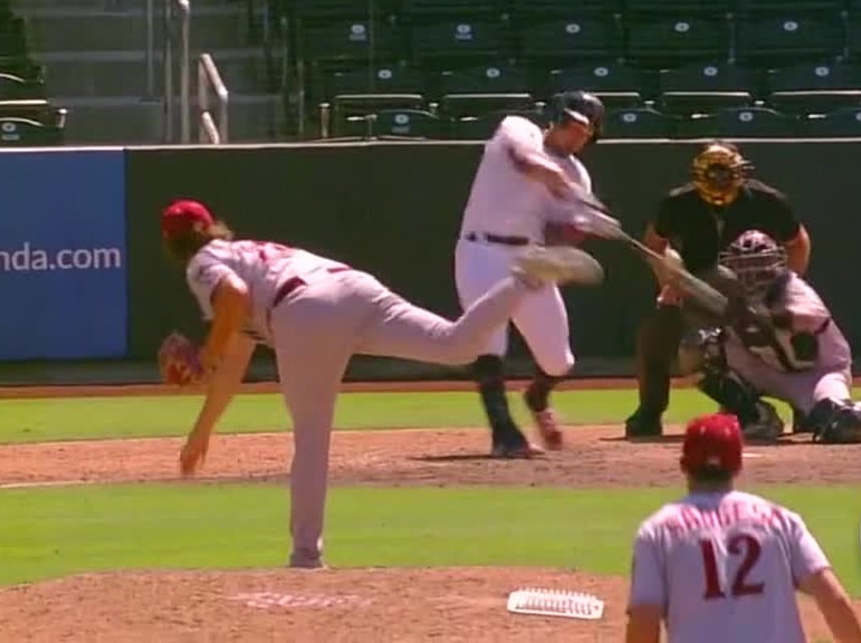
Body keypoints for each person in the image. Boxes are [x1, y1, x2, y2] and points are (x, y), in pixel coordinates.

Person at [162, 198, 604, 569]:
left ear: (172, 244)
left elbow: (234, 299)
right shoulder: (248, 250)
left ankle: (305, 557)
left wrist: (204, 357)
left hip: (302, 309)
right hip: (353, 287)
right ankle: (524, 279)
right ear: (212, 224)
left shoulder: (203, 262)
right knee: (457, 345)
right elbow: (235, 352)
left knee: (311, 437)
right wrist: (202, 431)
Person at [624, 413, 861, 643]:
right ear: (738, 465)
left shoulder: (658, 531)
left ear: (684, 465)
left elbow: (645, 619)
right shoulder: (780, 521)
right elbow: (834, 599)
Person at [623, 143, 811, 439]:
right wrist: (669, 282)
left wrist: (789, 286)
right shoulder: (677, 202)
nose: (719, 182)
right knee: (657, 334)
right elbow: (654, 244)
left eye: (726, 174)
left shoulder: (767, 200)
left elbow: (798, 242)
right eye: (713, 174)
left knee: (797, 336)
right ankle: (650, 410)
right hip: (700, 290)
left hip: (760, 292)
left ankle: (807, 407)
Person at [455, 91, 606, 458]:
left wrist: (579, 229)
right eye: (572, 127)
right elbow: (525, 162)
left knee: (558, 360)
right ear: (554, 119)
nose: (577, 138)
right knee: (489, 342)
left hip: (530, 259)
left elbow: (562, 232)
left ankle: (537, 397)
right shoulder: (518, 129)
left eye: (585, 133)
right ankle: (504, 433)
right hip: (480, 250)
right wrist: (564, 186)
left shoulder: (578, 174)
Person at [691, 230, 861, 445]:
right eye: (743, 267)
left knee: (846, 425)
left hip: (815, 373)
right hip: (761, 367)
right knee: (697, 350)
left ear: (774, 266)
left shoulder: (795, 292)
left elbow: (787, 323)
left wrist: (747, 313)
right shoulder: (732, 294)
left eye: (758, 266)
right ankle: (755, 416)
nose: (750, 275)